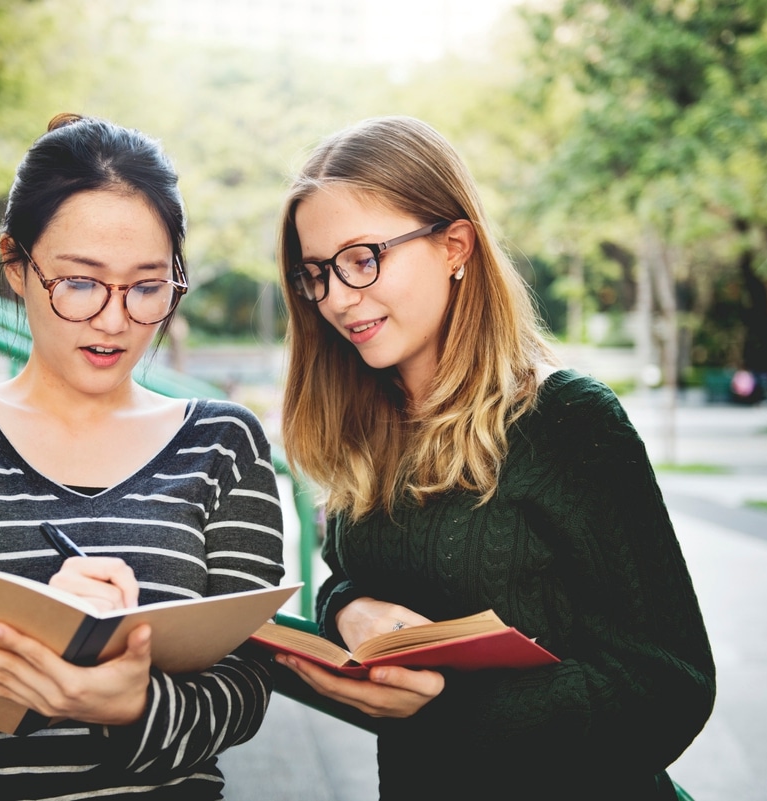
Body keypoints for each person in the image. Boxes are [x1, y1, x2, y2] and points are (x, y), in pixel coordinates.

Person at [271, 116, 715, 800]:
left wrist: (445, 706)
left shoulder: (568, 421)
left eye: (362, 258)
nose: (335, 296)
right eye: (315, 274)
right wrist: (346, 610)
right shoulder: (372, 426)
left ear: (455, 245)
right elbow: (358, 580)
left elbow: (670, 682)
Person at [0, 113, 285, 800]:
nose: (115, 321)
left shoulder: (224, 443)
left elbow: (243, 690)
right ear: (18, 266)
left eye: (147, 286)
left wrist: (133, 706)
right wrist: (47, 633)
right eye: (81, 282)